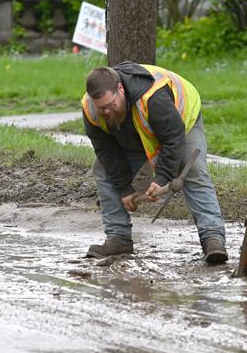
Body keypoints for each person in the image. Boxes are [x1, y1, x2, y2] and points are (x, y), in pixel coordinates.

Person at [82, 62, 228, 265]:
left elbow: (173, 138)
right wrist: (124, 188)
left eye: (110, 106)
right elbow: (107, 151)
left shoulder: (153, 98)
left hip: (180, 121)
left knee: (192, 168)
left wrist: (161, 178)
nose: (106, 113)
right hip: (135, 131)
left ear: (120, 89)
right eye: (101, 108)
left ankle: (213, 238)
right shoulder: (90, 109)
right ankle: (118, 238)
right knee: (102, 169)